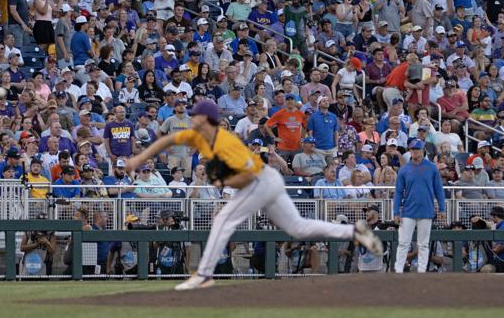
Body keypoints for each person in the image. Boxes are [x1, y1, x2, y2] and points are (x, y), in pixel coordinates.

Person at [125, 99, 381, 290]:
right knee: (299, 228)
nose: (193, 119)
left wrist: (223, 180)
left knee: (223, 220)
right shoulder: (198, 136)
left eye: (197, 116)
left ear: (208, 119)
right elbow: (167, 141)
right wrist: (138, 158)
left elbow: (247, 177)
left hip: (260, 181)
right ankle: (354, 231)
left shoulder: (226, 142)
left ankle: (203, 274)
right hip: (263, 182)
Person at [392, 144, 446, 273]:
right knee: (404, 242)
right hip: (408, 211)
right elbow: (398, 192)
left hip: (426, 210)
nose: (415, 152)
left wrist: (442, 208)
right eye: (412, 149)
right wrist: (396, 212)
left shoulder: (432, 168)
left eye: (417, 149)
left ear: (423, 151)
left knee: (423, 244)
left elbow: (439, 189)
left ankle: (422, 271)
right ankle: (398, 270)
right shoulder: (404, 169)